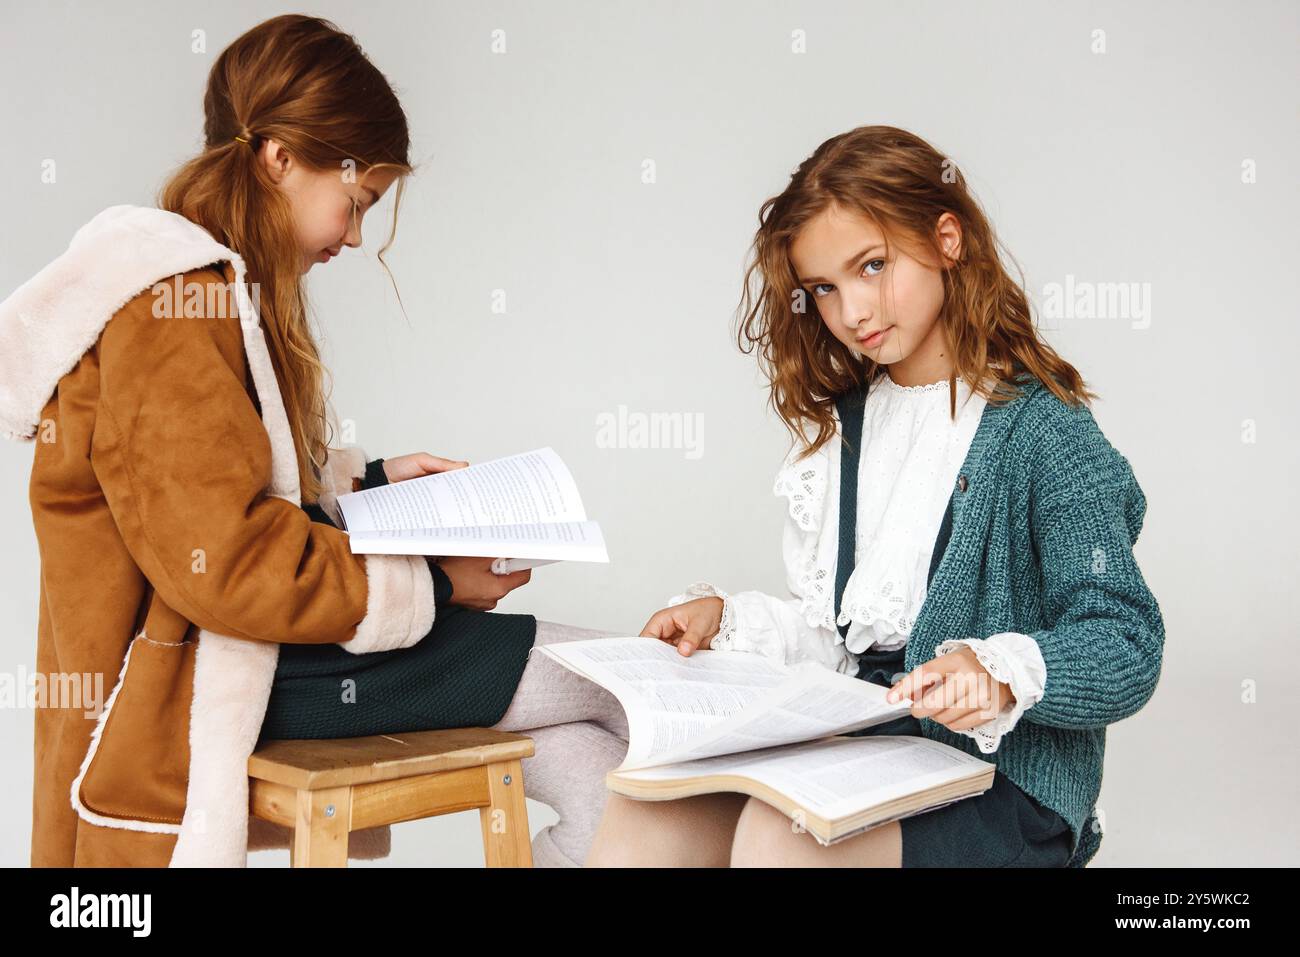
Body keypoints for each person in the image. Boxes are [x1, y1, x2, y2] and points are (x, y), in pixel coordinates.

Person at [1, 14, 625, 868]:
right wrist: (436, 583)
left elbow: (216, 488)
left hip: (256, 656)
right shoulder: (172, 303)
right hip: (216, 678)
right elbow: (226, 563)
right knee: (626, 689)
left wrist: (367, 480)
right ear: (281, 158)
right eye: (357, 200)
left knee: (593, 761)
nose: (357, 235)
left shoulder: (202, 293)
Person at [586, 125, 1165, 868]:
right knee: (648, 807)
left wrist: (998, 671)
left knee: (778, 838)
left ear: (947, 238)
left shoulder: (1046, 429)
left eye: (872, 266)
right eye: (825, 288)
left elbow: (1125, 640)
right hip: (870, 751)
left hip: (1005, 782)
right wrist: (725, 618)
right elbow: (842, 639)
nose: (852, 310)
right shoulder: (850, 424)